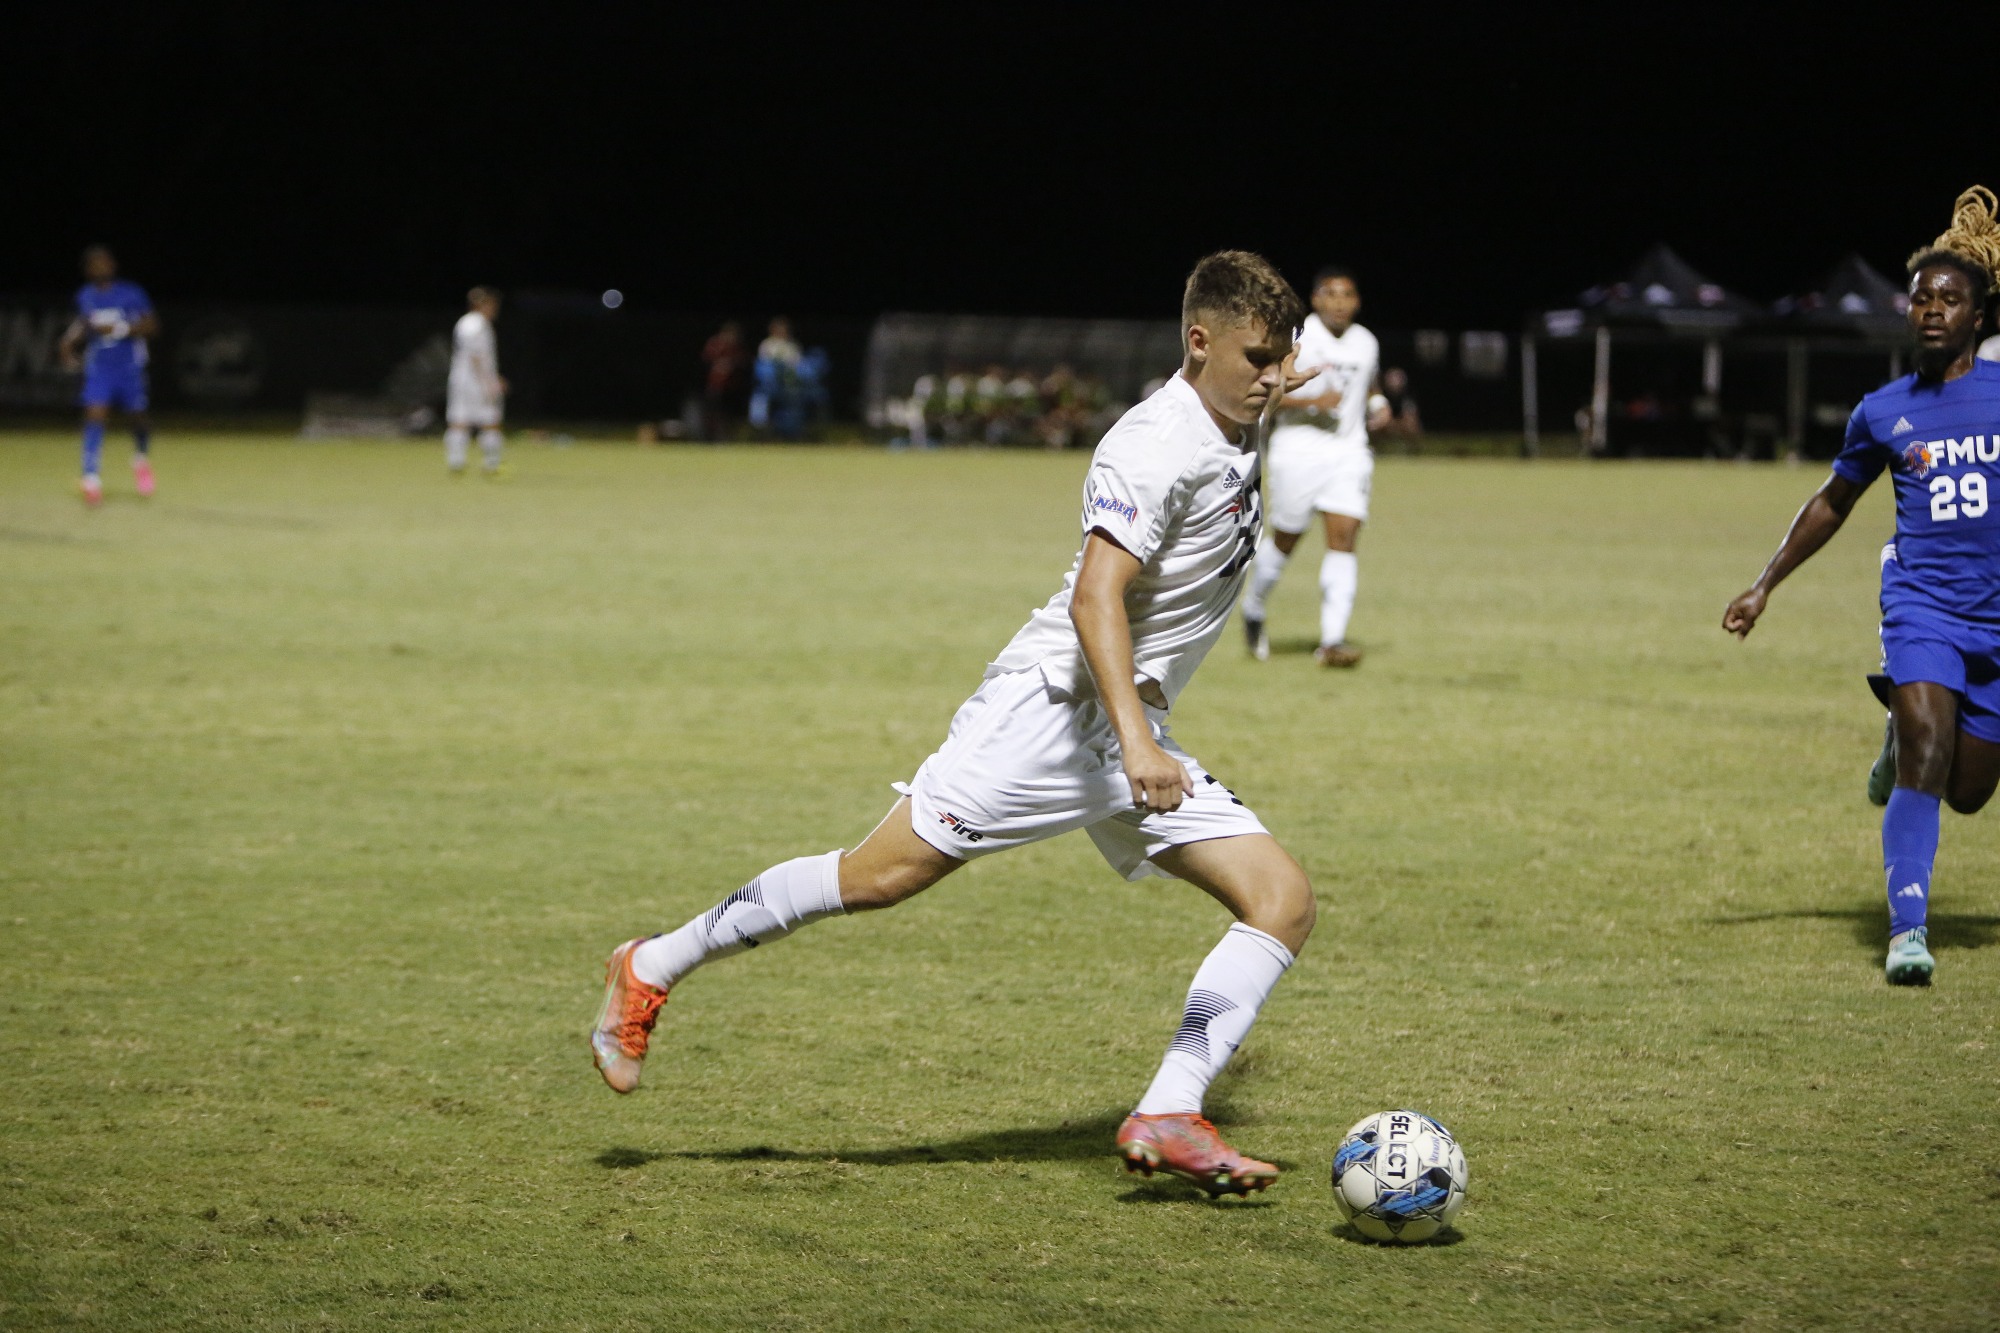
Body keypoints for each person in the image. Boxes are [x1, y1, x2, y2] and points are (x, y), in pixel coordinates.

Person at [591, 251, 1318, 1196]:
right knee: (879, 876)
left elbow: (1249, 399)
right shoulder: (1154, 444)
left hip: (1123, 724)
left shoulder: (1234, 410)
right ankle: (651, 962)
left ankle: (1171, 1109)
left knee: (1281, 900)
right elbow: (1096, 596)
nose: (1271, 374)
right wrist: (1139, 741)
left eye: (1282, 357)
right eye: (1257, 357)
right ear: (1198, 342)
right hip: (1051, 715)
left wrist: (1281, 379)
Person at [1722, 186, 2000, 987]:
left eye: (1949, 299)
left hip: (1994, 620)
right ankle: (1908, 933)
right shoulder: (1883, 411)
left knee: (1969, 790)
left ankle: (1897, 733)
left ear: (1979, 317)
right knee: (1927, 759)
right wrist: (1764, 585)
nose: (1932, 310)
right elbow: (1832, 502)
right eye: (1921, 299)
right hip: (1922, 606)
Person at [1239, 266, 1390, 667]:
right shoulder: (1297, 337)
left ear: (1357, 302)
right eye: (1331, 294)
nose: (1340, 303)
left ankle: (1332, 642)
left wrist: (1378, 404)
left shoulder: (1365, 341)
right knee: (1286, 539)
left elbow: (1369, 384)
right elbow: (1264, 393)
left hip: (1349, 452)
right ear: (1316, 299)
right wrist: (1311, 402)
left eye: (1347, 295)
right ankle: (1253, 606)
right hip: (1298, 451)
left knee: (1344, 540)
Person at [57, 246, 157, 507]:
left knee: (138, 418)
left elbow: (151, 325)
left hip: (129, 367)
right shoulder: (86, 295)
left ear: (112, 266)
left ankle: (141, 459)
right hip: (100, 368)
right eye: (95, 264)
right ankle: (91, 478)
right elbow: (86, 323)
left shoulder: (131, 293)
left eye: (105, 262)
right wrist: (68, 342)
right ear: (88, 271)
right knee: (94, 414)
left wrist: (119, 328)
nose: (101, 267)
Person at [446, 287, 507, 476]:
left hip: (460, 379)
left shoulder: (464, 322)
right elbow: (476, 356)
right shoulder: (478, 324)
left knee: (459, 420)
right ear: (482, 304)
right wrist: (490, 381)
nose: (494, 308)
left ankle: (456, 461)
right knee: (490, 420)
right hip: (475, 381)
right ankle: (491, 463)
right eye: (492, 304)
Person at [699, 321, 745, 441]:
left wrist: (731, 364)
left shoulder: (736, 347)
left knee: (729, 414)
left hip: (732, 387)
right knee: (713, 413)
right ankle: (709, 438)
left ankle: (727, 438)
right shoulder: (715, 344)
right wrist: (720, 364)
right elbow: (706, 360)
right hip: (716, 385)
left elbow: (743, 361)